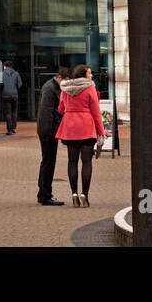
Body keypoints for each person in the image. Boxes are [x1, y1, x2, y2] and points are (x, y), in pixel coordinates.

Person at [56, 64, 104, 207]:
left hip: (70, 127)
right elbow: (96, 111)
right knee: (87, 162)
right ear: (84, 75)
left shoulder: (65, 89)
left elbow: (61, 108)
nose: (92, 76)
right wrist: (101, 131)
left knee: (72, 161)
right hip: (86, 126)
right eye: (90, 73)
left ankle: (74, 194)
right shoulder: (90, 88)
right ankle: (84, 194)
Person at [36, 67, 68, 205]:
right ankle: (46, 196)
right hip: (48, 131)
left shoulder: (52, 87)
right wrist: (50, 131)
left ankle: (42, 193)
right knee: (49, 162)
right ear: (60, 77)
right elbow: (46, 112)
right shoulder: (50, 88)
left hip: (48, 130)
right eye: (66, 81)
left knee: (46, 161)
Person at [0, 60, 23, 134]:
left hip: (6, 94)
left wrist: (3, 89)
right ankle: (13, 128)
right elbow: (20, 84)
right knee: (14, 111)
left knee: (8, 112)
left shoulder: (2, 74)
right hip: (14, 94)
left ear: (5, 66)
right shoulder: (16, 73)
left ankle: (9, 129)